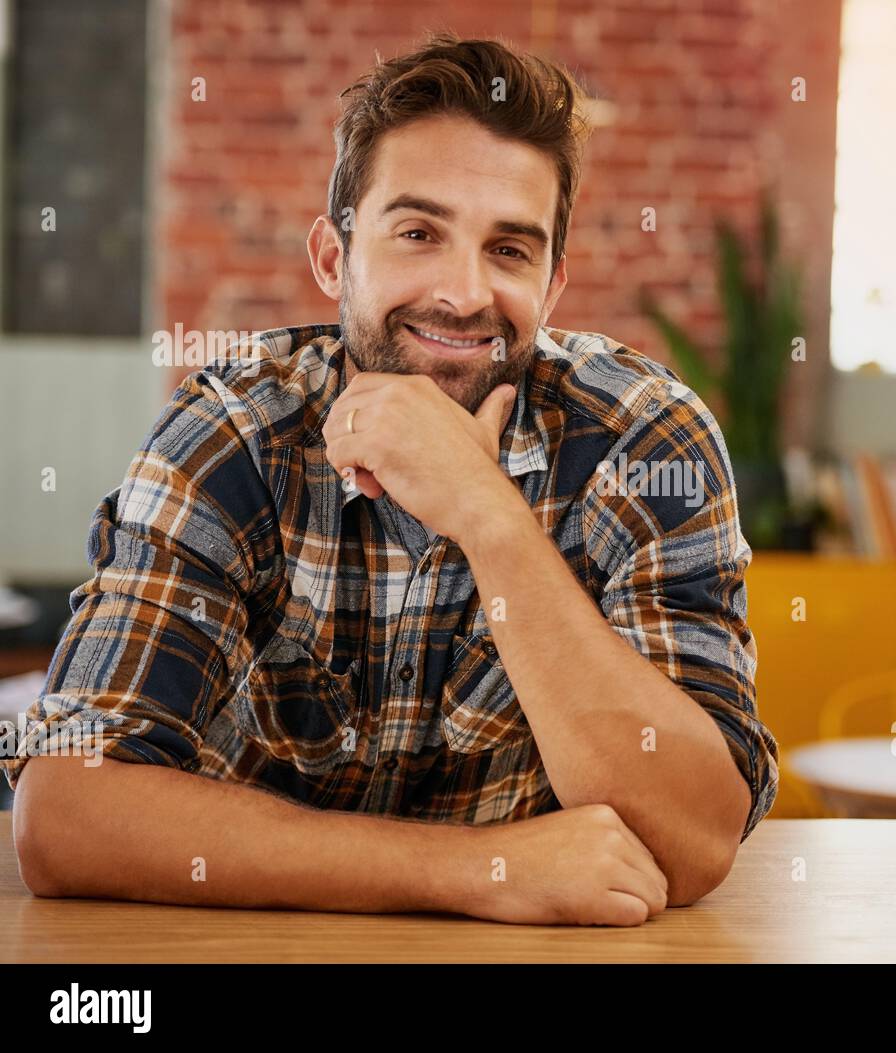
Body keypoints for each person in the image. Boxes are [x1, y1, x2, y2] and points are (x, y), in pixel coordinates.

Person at [7, 31, 778, 927]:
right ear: (334, 259)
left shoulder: (647, 443)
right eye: (418, 233)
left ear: (554, 285)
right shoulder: (232, 435)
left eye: (510, 250)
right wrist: (476, 871)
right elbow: (63, 811)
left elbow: (696, 834)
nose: (462, 292)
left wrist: (487, 514)